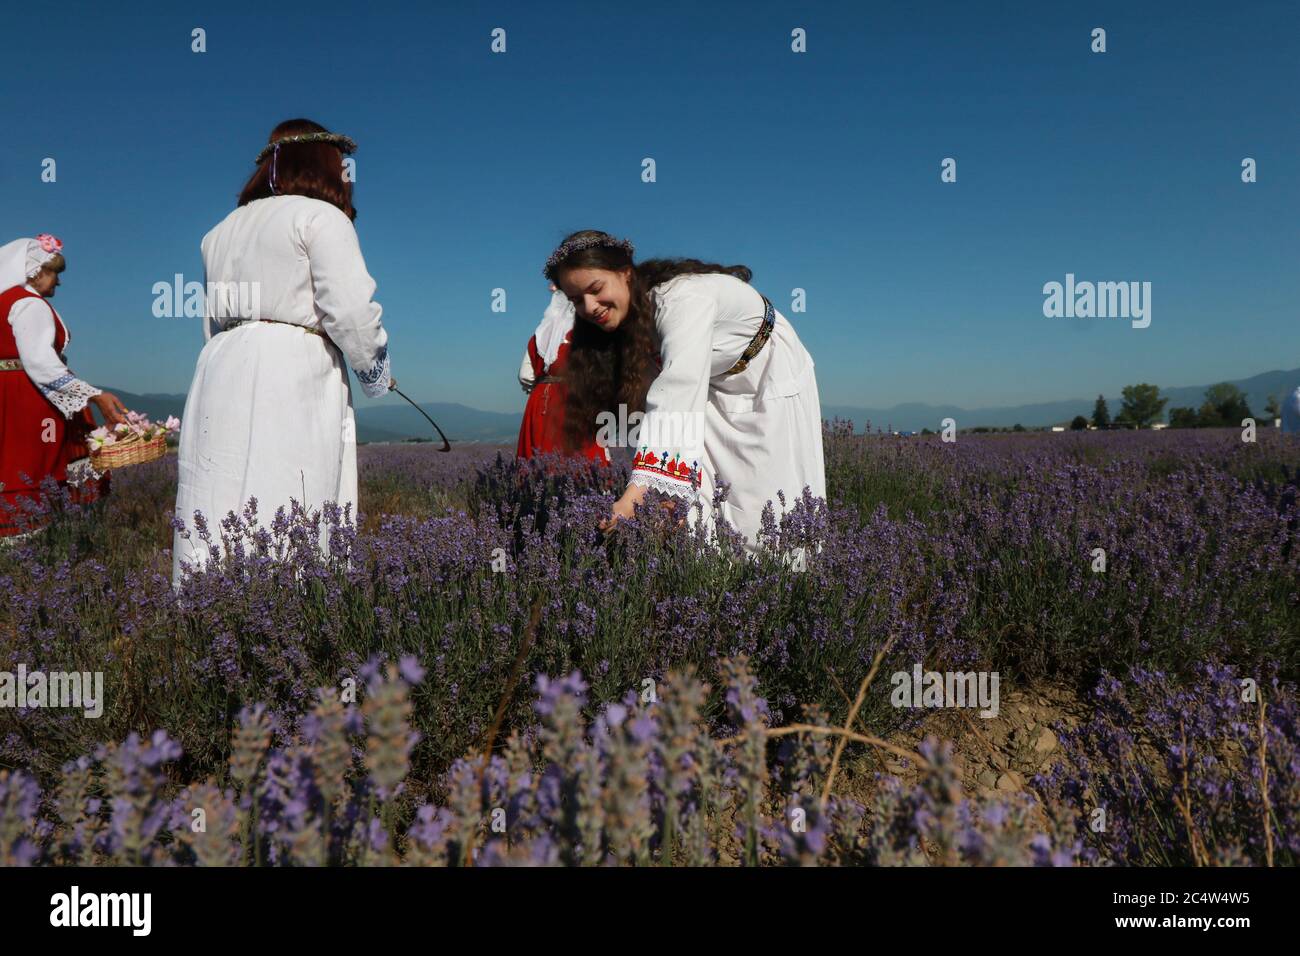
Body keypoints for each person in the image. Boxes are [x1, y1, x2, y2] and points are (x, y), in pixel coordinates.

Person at [172, 119, 394, 585]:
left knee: (217, 490)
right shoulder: (320, 217)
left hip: (220, 365)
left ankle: (208, 606)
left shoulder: (219, 231)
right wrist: (375, 373)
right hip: (292, 368)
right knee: (290, 482)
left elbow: (211, 320)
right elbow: (351, 312)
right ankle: (288, 606)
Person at [544, 229, 825, 556]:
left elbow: (675, 394)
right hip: (712, 384)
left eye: (595, 289)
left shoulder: (681, 300)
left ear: (625, 273)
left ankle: (784, 581)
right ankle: (718, 587)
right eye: (576, 300)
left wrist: (635, 496)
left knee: (765, 494)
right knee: (698, 496)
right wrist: (660, 495)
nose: (589, 307)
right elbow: (661, 405)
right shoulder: (631, 317)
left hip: (768, 376)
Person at [0, 235, 124, 540]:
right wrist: (94, 394)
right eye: (54, 272)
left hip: (9, 395)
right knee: (33, 465)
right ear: (36, 271)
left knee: (11, 464)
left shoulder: (5, 302)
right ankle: (31, 546)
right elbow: (40, 361)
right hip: (29, 397)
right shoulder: (29, 304)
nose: (58, 281)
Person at [516, 283, 609, 463]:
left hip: (539, 402)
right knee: (583, 457)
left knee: (537, 457)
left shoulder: (538, 335)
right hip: (575, 399)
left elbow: (525, 375)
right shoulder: (585, 333)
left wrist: (542, 386)